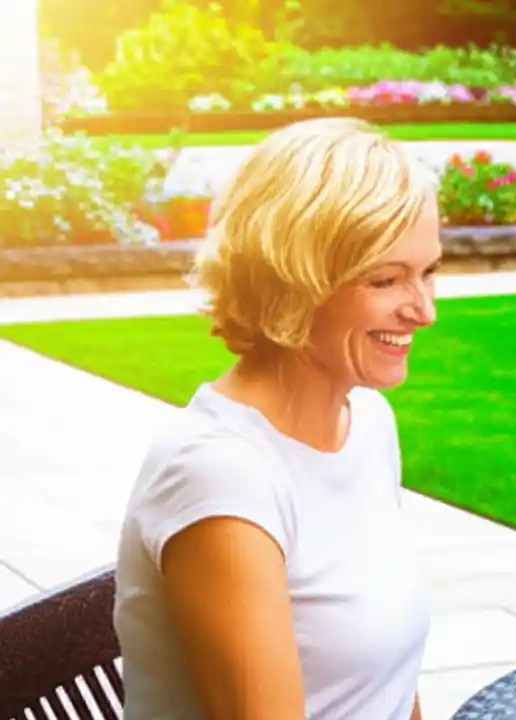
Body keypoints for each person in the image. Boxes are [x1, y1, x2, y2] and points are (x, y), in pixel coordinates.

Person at [113, 117, 442, 718]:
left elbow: (387, 689)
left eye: (429, 273)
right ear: (294, 282)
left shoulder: (366, 422)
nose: (424, 311)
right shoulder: (221, 476)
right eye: (386, 280)